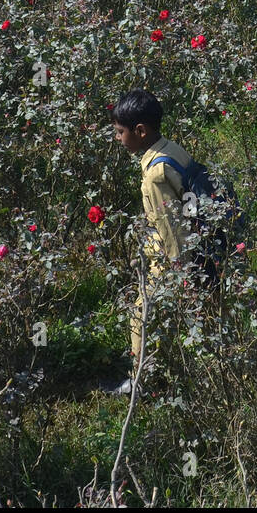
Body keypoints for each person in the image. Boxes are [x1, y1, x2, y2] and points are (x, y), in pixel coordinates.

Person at [110, 89, 196, 392]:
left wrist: (181, 272)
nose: (119, 138)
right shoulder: (171, 149)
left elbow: (171, 229)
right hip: (197, 250)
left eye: (121, 132)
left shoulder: (154, 176)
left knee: (141, 317)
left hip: (170, 262)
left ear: (140, 131)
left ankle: (144, 383)